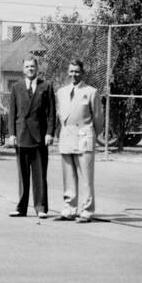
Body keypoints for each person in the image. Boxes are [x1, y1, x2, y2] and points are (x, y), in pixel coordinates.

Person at [7, 56, 55, 217]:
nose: (30, 69)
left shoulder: (46, 86)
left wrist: (49, 133)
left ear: (37, 68)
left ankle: (41, 208)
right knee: (23, 174)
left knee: (40, 175)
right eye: (27, 67)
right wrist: (12, 134)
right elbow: (12, 112)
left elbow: (51, 113)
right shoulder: (16, 87)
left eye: (32, 66)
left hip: (40, 137)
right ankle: (21, 208)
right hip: (21, 136)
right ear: (23, 69)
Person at [53, 59, 100, 223]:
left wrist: (89, 134)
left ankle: (86, 211)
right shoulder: (61, 92)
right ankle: (69, 209)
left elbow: (98, 120)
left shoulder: (91, 92)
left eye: (77, 71)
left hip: (84, 137)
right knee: (68, 176)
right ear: (68, 72)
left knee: (86, 177)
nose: (74, 74)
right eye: (71, 71)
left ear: (83, 73)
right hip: (67, 137)